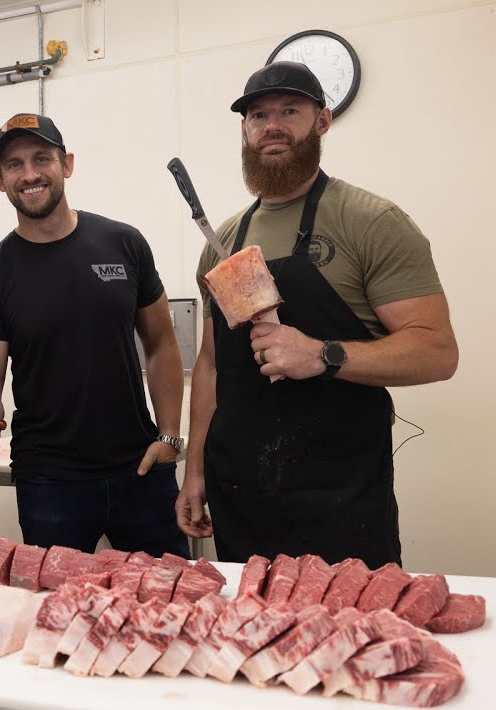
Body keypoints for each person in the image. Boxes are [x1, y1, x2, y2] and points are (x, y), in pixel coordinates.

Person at [175, 62, 459, 569]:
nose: (272, 126)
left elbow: (437, 351)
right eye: (258, 115)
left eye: (290, 111)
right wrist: (194, 469)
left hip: (340, 497)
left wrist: (322, 355)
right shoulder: (225, 241)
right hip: (241, 494)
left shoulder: (370, 221)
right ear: (244, 129)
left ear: (322, 121)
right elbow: (213, 365)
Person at [0, 113, 191, 557]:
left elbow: (161, 343)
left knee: (172, 589)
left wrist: (170, 436)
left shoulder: (124, 244)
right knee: (55, 598)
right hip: (50, 483)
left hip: (141, 469)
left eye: (42, 158)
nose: (30, 174)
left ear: (67, 164)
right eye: (14, 164)